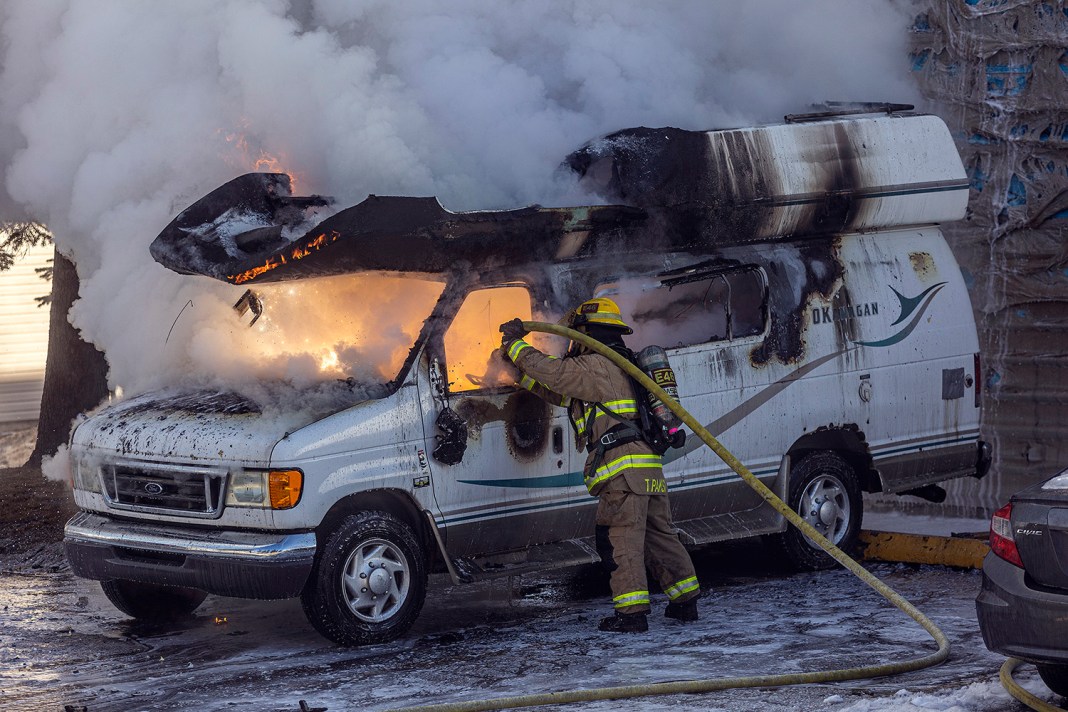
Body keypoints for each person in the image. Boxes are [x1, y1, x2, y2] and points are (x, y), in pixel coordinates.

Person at [499, 297, 700, 633]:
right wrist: (520, 377)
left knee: (622, 540)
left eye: (574, 334)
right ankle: (686, 601)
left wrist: (515, 345)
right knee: (660, 536)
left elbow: (557, 374)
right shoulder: (623, 365)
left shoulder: (596, 365)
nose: (571, 342)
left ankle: (631, 615)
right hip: (648, 467)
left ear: (586, 332)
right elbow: (565, 396)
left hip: (622, 470)